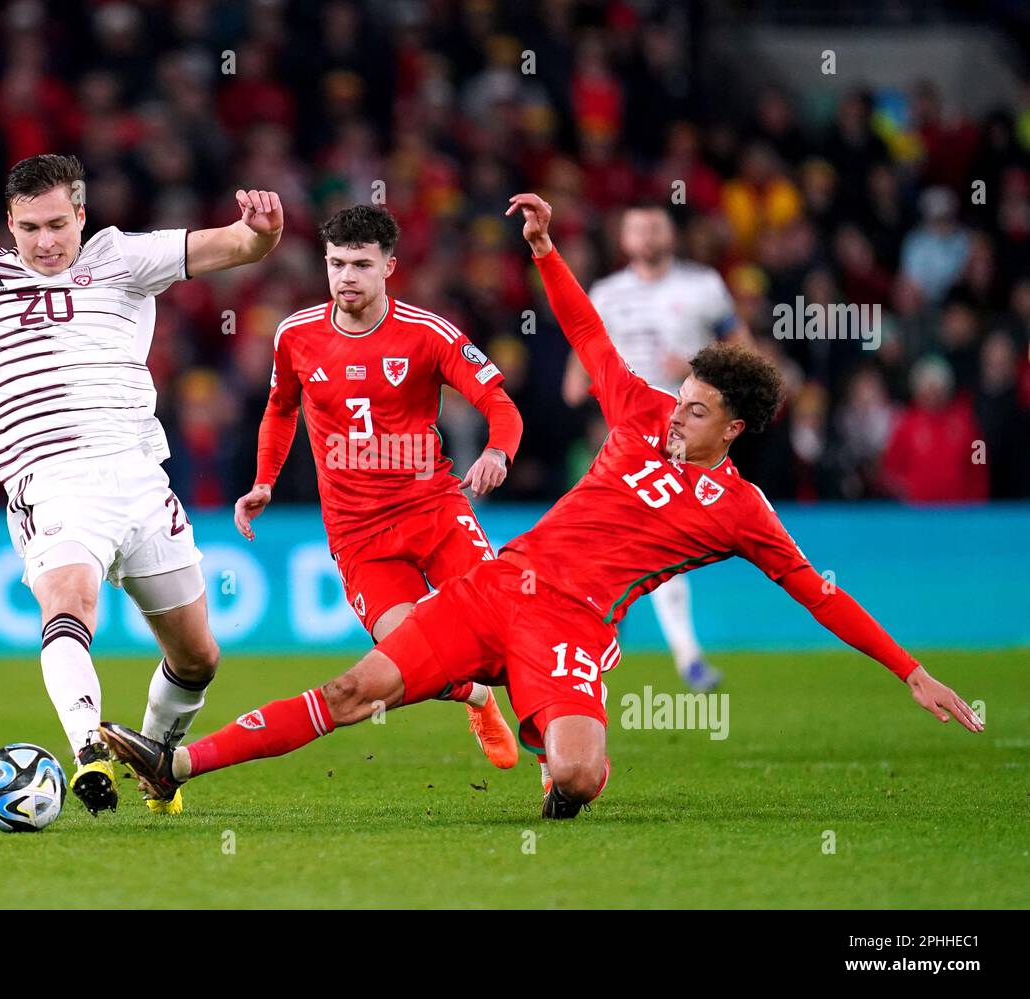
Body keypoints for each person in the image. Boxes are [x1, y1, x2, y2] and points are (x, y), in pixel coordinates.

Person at [100, 193, 982, 819]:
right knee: (355, 685)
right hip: (500, 584)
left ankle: (551, 768)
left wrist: (911, 670)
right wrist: (547, 252)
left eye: (699, 408)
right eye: (681, 395)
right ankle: (175, 758)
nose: (677, 410)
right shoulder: (640, 412)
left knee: (579, 774)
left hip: (573, 632)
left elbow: (819, 594)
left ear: (736, 428)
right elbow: (588, 334)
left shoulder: (742, 512)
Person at [0, 153, 284, 817]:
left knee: (199, 655)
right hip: (52, 478)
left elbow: (233, 245)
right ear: (9, 222)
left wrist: (261, 231)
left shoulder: (123, 259)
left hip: (140, 477)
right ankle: (87, 748)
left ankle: (154, 754)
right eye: (30, 227)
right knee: (70, 602)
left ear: (82, 216)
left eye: (58, 224)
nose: (45, 241)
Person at [233, 205, 524, 770]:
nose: (347, 277)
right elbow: (279, 409)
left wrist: (496, 451)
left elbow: (500, 406)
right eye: (337, 263)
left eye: (362, 265)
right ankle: (476, 697)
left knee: (503, 632)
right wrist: (264, 481)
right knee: (412, 652)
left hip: (434, 508)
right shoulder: (295, 335)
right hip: (358, 532)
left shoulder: (427, 333)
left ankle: (553, 764)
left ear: (389, 267)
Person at [562, 203, 752, 692]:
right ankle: (637, 650)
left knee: (654, 541)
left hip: (686, 437)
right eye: (637, 226)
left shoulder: (703, 286)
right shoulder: (606, 294)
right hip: (625, 437)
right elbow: (574, 378)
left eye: (655, 225)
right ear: (623, 239)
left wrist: (693, 369)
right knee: (621, 545)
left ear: (671, 234)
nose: (647, 234)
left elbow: (745, 357)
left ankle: (643, 651)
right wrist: (605, 393)